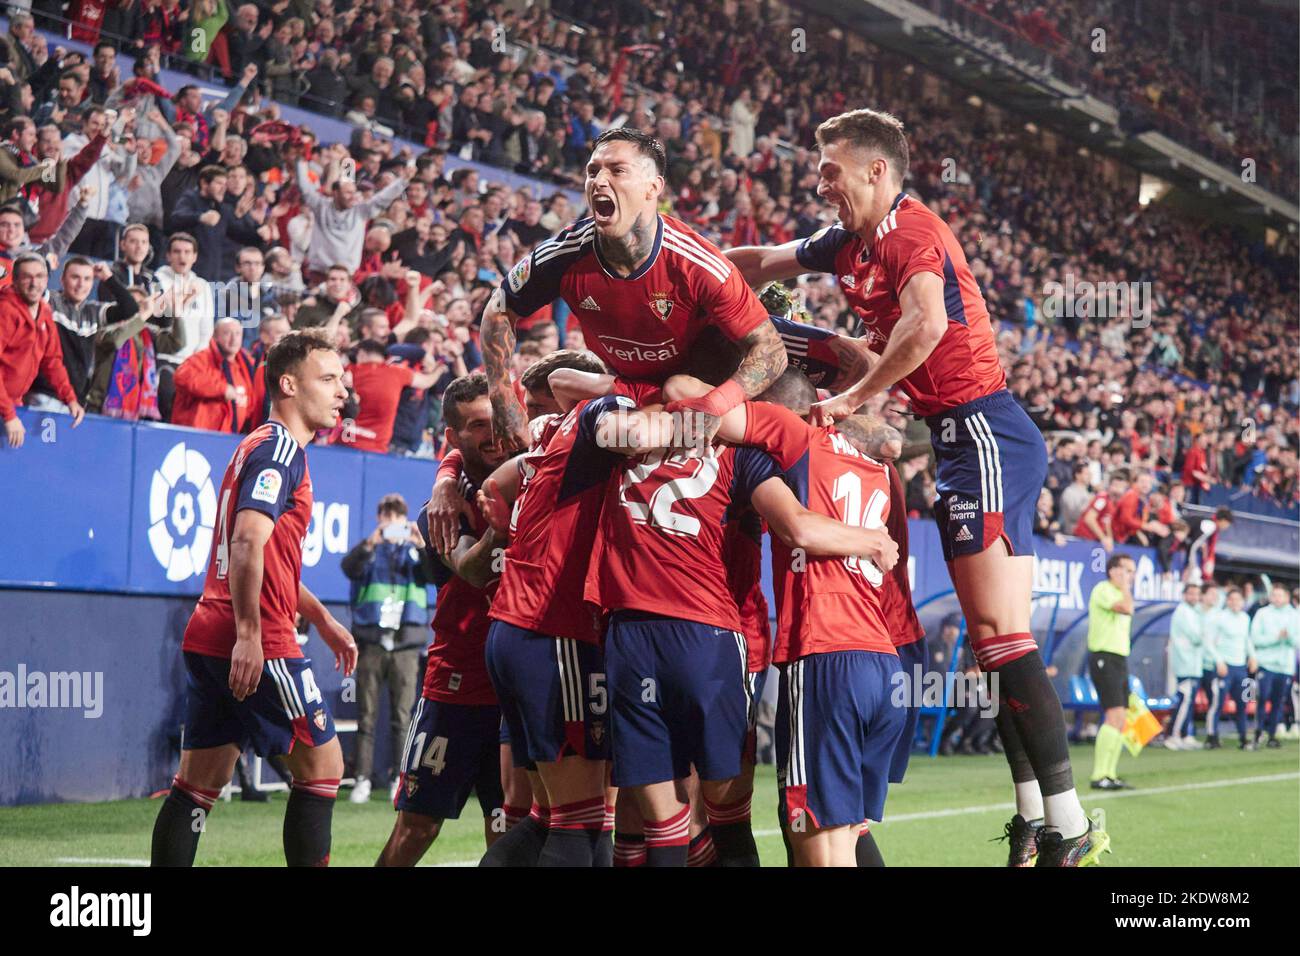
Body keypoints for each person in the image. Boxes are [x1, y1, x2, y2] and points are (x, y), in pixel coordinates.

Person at [724, 108, 1102, 865]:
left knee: (1001, 639)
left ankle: (1070, 826)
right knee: (995, 647)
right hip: (965, 441)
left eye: (831, 168)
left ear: (876, 169)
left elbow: (926, 326)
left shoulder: (910, 232)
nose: (820, 181)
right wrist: (694, 264)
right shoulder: (846, 243)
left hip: (983, 431)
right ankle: (1033, 818)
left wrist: (857, 396)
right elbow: (762, 260)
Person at [583, 371, 897, 867]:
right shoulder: (863, 462)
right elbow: (892, 442)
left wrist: (657, 409)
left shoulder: (779, 442)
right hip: (858, 652)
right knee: (824, 823)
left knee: (689, 816)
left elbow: (669, 394)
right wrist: (877, 540)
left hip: (785, 647)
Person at [150, 329, 357, 867]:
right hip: (255, 637)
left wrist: (323, 620)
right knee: (325, 766)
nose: (343, 392)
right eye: (329, 379)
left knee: (199, 784)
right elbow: (245, 541)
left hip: (209, 630)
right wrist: (250, 635)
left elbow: (268, 557)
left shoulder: (257, 444)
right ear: (288, 384)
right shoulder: (280, 449)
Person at [479, 127, 786, 456]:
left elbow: (770, 351)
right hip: (625, 390)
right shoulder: (564, 255)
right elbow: (499, 308)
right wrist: (501, 396)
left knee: (627, 433)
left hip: (693, 394)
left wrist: (713, 404)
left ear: (653, 188)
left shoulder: (696, 264)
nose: (598, 180)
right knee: (560, 386)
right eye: (592, 171)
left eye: (617, 170)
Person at [376, 374, 509, 866]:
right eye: (476, 425)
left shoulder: (528, 477)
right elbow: (471, 573)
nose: (491, 434)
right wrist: (454, 487)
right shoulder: (440, 514)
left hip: (516, 687)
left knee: (506, 827)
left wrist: (447, 473)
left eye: (496, 420)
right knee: (417, 827)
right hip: (456, 687)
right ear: (451, 437)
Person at [340, 493, 429, 803]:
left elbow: (433, 575)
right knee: (366, 716)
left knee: (402, 717)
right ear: (379, 519)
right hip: (373, 643)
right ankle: (362, 779)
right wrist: (371, 542)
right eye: (386, 517)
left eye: (397, 517)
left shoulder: (414, 553)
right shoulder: (369, 551)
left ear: (405, 521)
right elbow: (348, 568)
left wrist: (419, 542)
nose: (391, 523)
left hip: (405, 645)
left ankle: (398, 778)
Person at [0, 252, 85, 448]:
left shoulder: (45, 311)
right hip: (6, 407)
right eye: (27, 277)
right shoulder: (6, 311)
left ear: (47, 279)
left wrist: (70, 399)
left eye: (39, 277)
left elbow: (52, 361)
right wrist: (9, 414)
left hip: (12, 403)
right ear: (14, 279)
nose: (34, 283)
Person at [342, 338, 443, 454]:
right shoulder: (397, 373)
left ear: (362, 354)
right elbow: (426, 382)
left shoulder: (348, 371)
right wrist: (439, 369)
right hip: (377, 448)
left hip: (345, 441)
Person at [1087, 554, 1136, 790]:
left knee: (1122, 718)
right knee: (1113, 714)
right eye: (1127, 570)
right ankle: (1099, 775)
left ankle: (1110, 773)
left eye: (1132, 572)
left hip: (1119, 659)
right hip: (1103, 657)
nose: (1130, 576)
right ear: (1113, 571)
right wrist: (1125, 586)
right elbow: (1126, 608)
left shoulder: (1119, 592)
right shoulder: (1103, 589)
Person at [171, 317, 255, 433]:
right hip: (195, 439)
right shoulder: (201, 359)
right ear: (214, 336)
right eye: (227, 333)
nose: (233, 339)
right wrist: (222, 389)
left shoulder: (247, 366)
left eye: (237, 333)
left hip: (230, 440)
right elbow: (182, 377)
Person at [1249, 582, 1297, 749]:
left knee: (1279, 701)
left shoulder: (1294, 615)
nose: (1276, 598)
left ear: (1287, 597)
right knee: (1261, 698)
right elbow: (1255, 638)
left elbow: (1297, 640)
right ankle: (1258, 732)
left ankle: (1272, 735)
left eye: (1280, 595)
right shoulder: (1262, 614)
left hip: (1285, 666)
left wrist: (1288, 637)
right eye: (1274, 595)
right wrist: (1276, 638)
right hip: (1266, 664)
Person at [1206, 587, 1253, 750]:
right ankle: (1211, 736)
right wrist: (1219, 661)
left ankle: (1244, 737)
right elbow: (1209, 642)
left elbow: (1247, 639)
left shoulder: (1245, 618)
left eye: (1238, 600)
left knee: (1245, 702)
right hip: (1224, 667)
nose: (1235, 603)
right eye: (1232, 599)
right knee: (1217, 703)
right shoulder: (1219, 617)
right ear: (1227, 601)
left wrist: (1253, 656)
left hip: (1241, 668)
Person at [1166, 582, 1204, 749]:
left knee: (1188, 700)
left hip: (1194, 665)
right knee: (1184, 699)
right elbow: (1197, 637)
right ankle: (1172, 735)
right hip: (1185, 664)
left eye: (1197, 594)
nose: (1194, 597)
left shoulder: (1194, 612)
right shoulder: (1183, 612)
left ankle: (1185, 734)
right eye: (1191, 594)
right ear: (1184, 595)